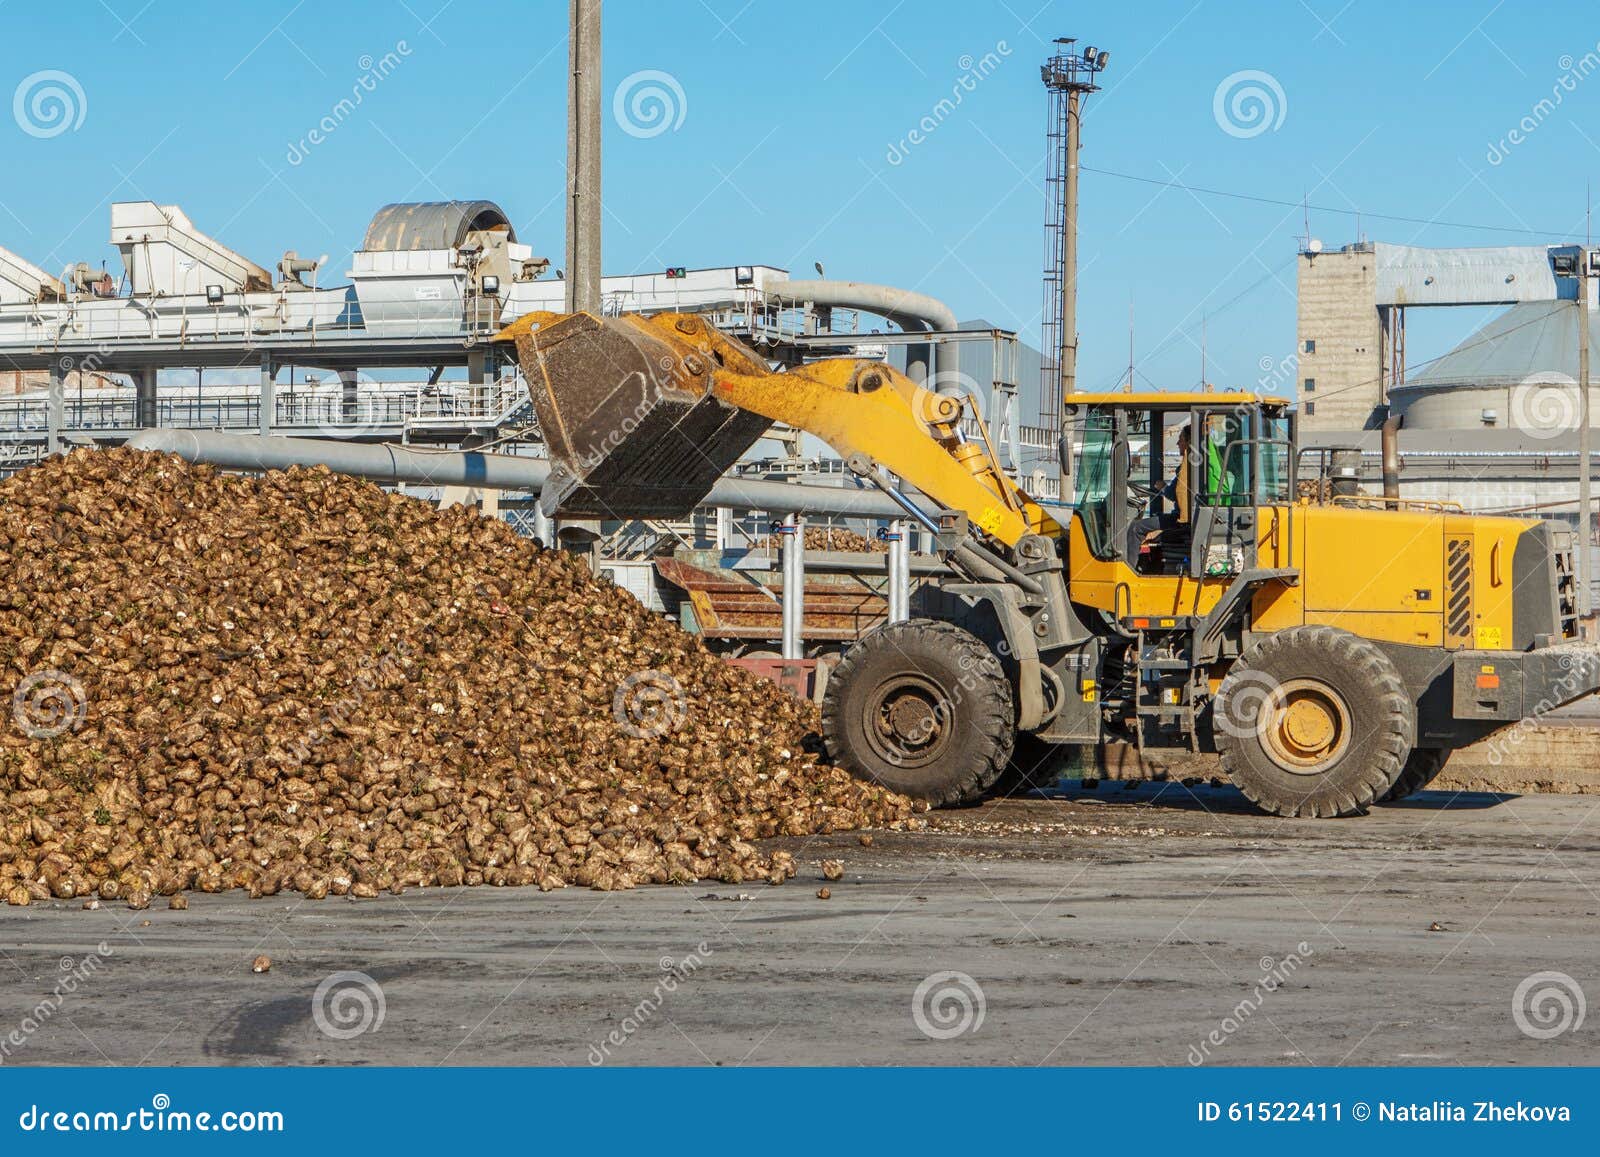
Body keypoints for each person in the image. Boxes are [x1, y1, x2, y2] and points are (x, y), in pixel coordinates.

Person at [1125, 424, 1190, 570]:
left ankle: (1128, 570)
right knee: (1155, 517)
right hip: (1178, 518)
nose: (1178, 443)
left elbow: (1175, 494)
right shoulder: (1188, 466)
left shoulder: (1187, 469)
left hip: (1179, 521)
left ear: (1187, 443)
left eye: (1181, 440)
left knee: (1135, 528)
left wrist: (1163, 487)